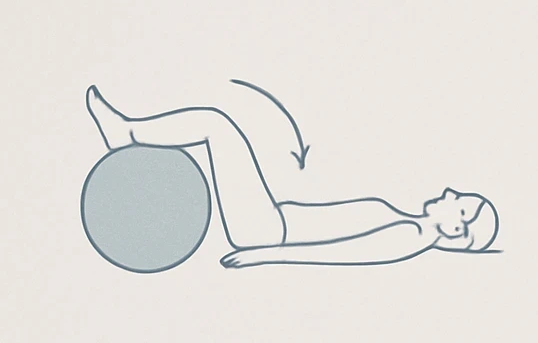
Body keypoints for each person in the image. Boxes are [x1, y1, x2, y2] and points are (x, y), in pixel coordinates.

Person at [84, 86, 499, 268]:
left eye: (460, 203)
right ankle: (131, 137)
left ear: (458, 231)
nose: (450, 191)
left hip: (266, 230)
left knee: (216, 125)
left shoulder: (412, 237)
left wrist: (261, 256)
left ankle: (128, 134)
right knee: (218, 127)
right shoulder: (410, 227)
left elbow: (338, 255)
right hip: (270, 221)